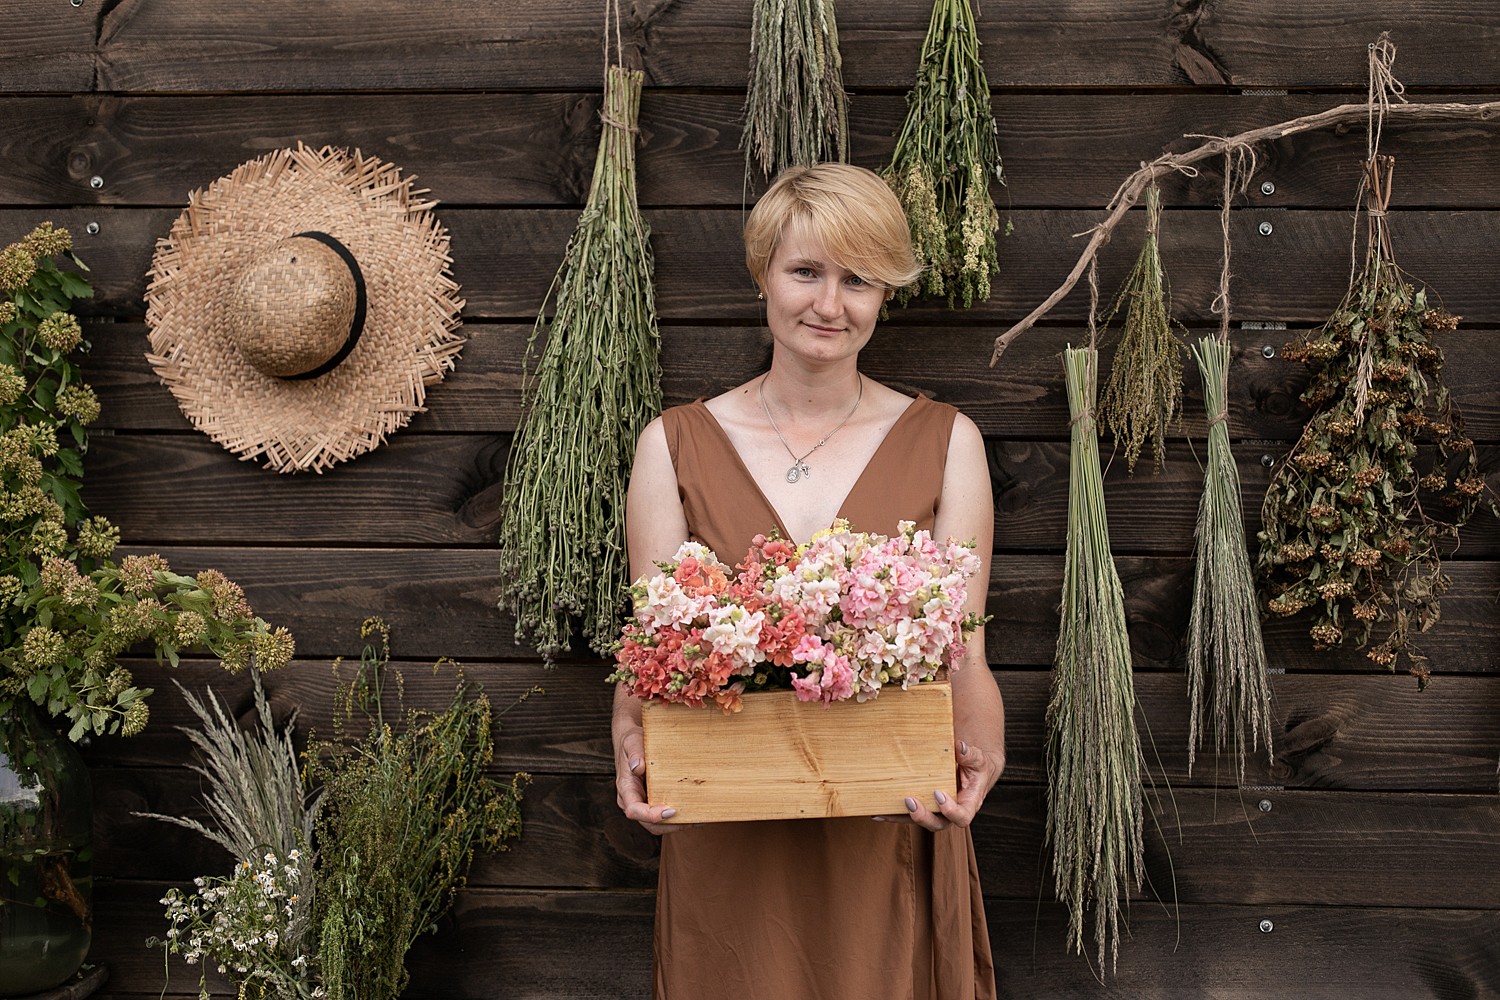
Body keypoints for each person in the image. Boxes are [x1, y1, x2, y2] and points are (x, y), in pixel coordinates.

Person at [612, 162, 1005, 999]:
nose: (831, 305)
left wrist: (979, 758)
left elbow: (964, 641)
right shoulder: (673, 444)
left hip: (885, 810)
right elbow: (649, 645)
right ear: (764, 273)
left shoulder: (948, 440)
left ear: (885, 294)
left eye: (858, 280)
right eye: (806, 272)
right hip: (729, 814)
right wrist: (631, 739)